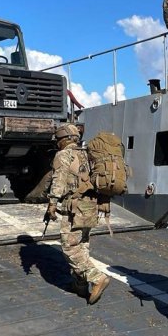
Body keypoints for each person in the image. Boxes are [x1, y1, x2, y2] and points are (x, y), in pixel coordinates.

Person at [45, 123, 110, 304]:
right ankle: (80, 286)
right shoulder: (87, 153)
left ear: (65, 139)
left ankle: (96, 277)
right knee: (82, 245)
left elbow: (58, 181)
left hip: (73, 208)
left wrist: (52, 203)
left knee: (69, 247)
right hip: (90, 206)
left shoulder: (63, 154)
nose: (57, 143)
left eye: (58, 139)